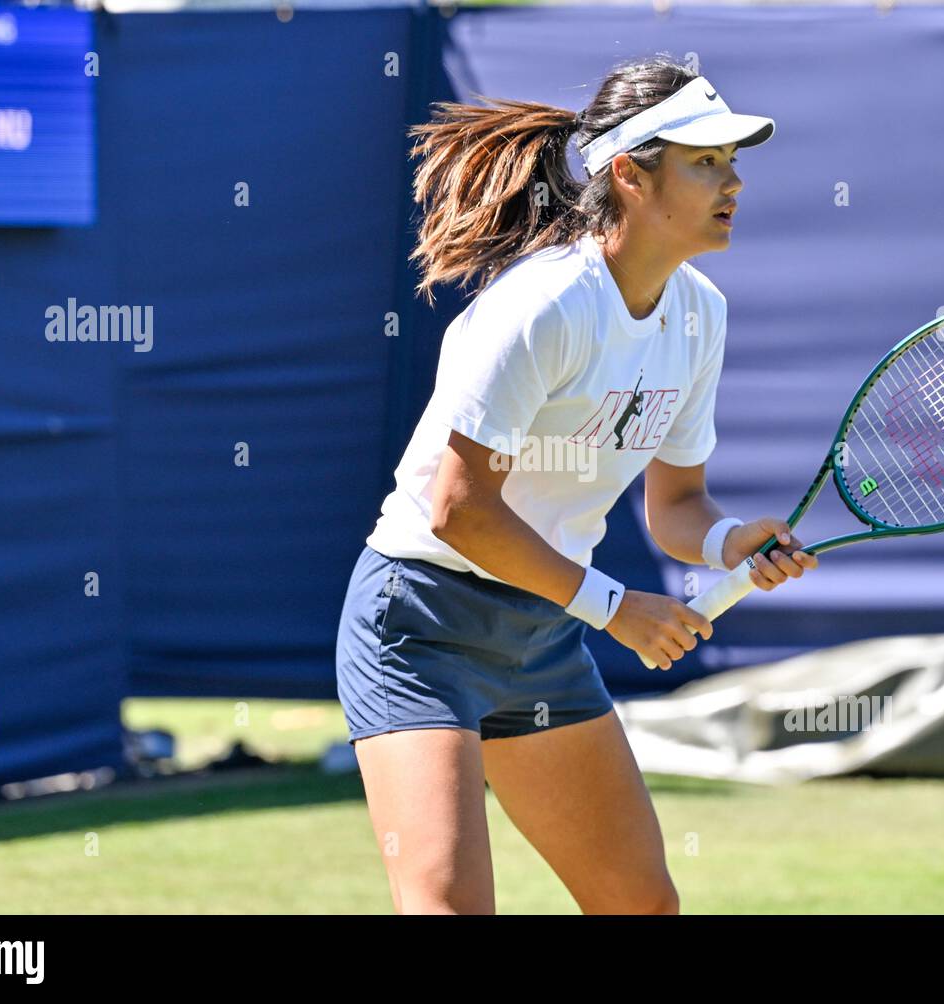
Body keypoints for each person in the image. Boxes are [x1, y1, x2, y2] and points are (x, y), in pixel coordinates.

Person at [335, 55, 818, 915]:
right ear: (629, 173)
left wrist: (725, 541)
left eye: (733, 160)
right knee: (446, 907)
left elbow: (674, 509)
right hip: (419, 626)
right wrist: (612, 607)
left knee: (641, 906)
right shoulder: (546, 305)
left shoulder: (701, 313)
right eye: (706, 161)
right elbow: (458, 511)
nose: (733, 180)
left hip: (539, 637)